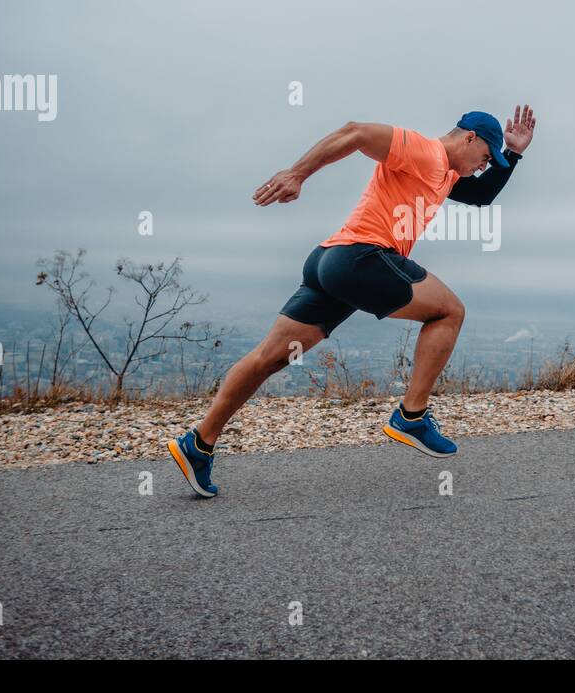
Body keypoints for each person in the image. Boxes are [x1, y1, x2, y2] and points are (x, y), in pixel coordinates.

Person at [167, 105, 537, 497]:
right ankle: (411, 416)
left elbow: (481, 195)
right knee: (450, 311)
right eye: (485, 157)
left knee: (270, 357)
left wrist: (512, 154)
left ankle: (199, 443)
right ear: (468, 138)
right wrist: (296, 174)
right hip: (362, 258)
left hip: (329, 262)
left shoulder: (444, 174)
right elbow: (356, 132)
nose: (484, 167)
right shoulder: (425, 151)